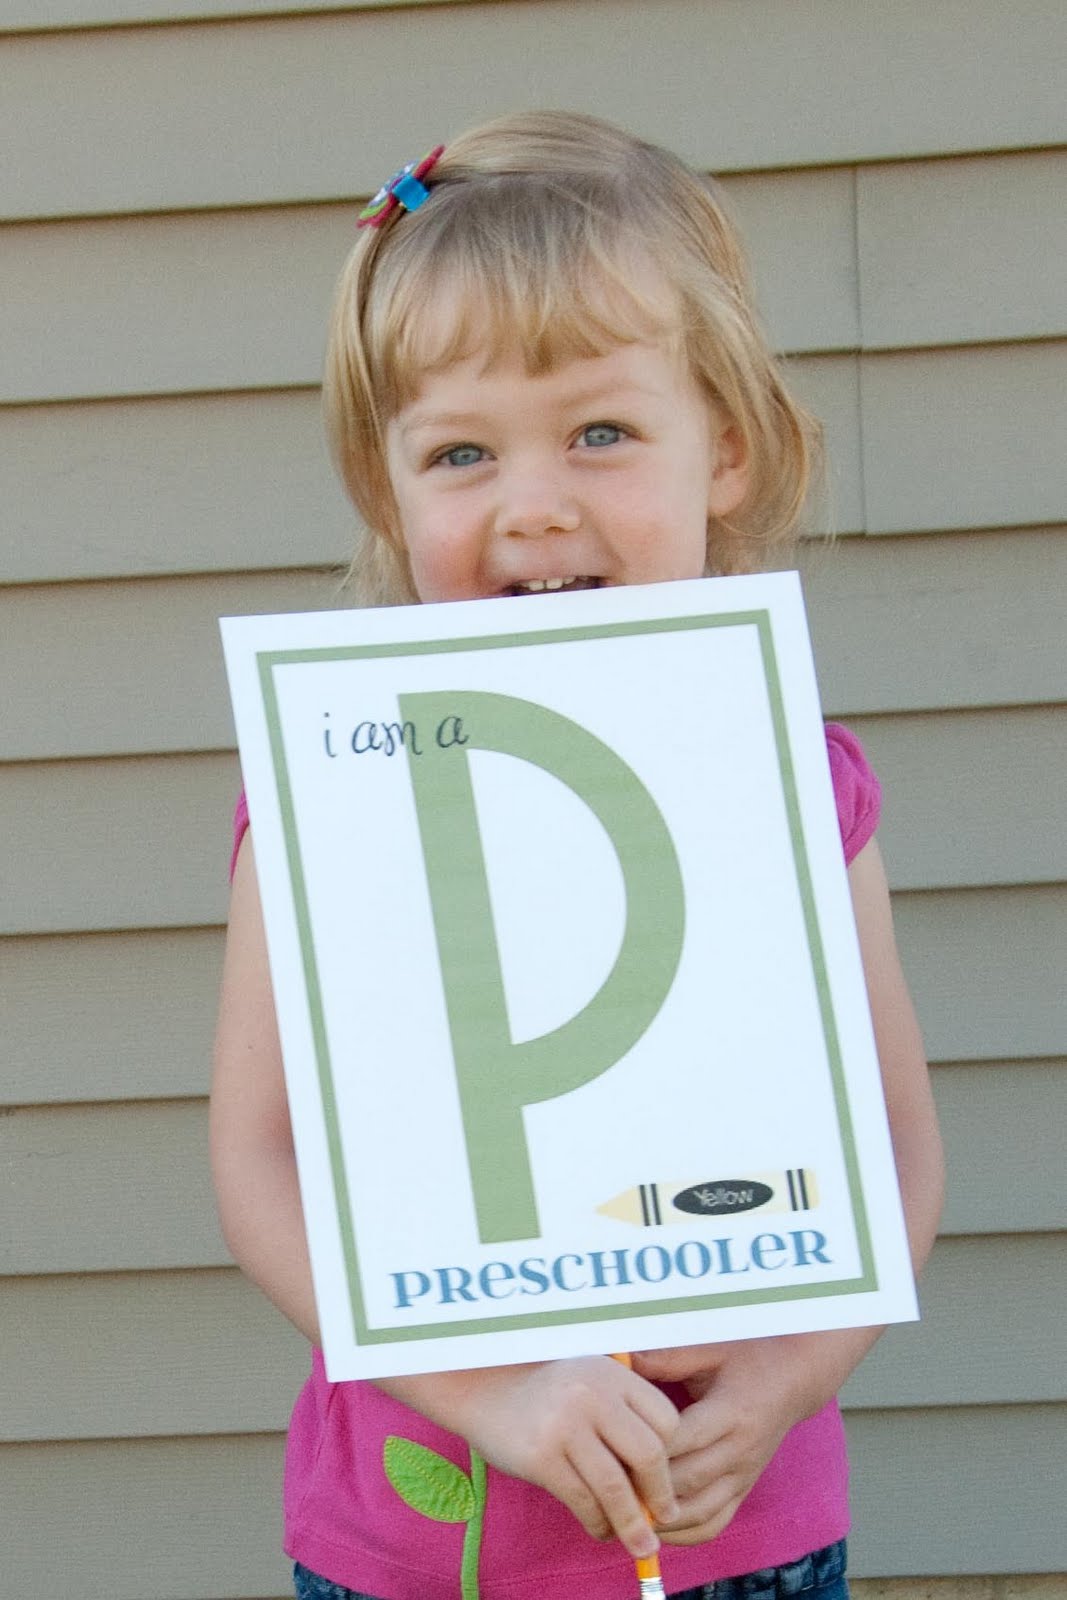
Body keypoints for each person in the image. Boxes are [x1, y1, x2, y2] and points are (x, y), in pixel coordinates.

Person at [211, 110, 944, 1600]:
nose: (534, 501)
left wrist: (790, 1377)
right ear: (390, 488)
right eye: (462, 452)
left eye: (601, 432)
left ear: (724, 448)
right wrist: (498, 1397)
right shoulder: (330, 792)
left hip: (742, 1529)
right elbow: (262, 1156)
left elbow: (895, 1142)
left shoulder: (795, 777)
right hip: (422, 1550)